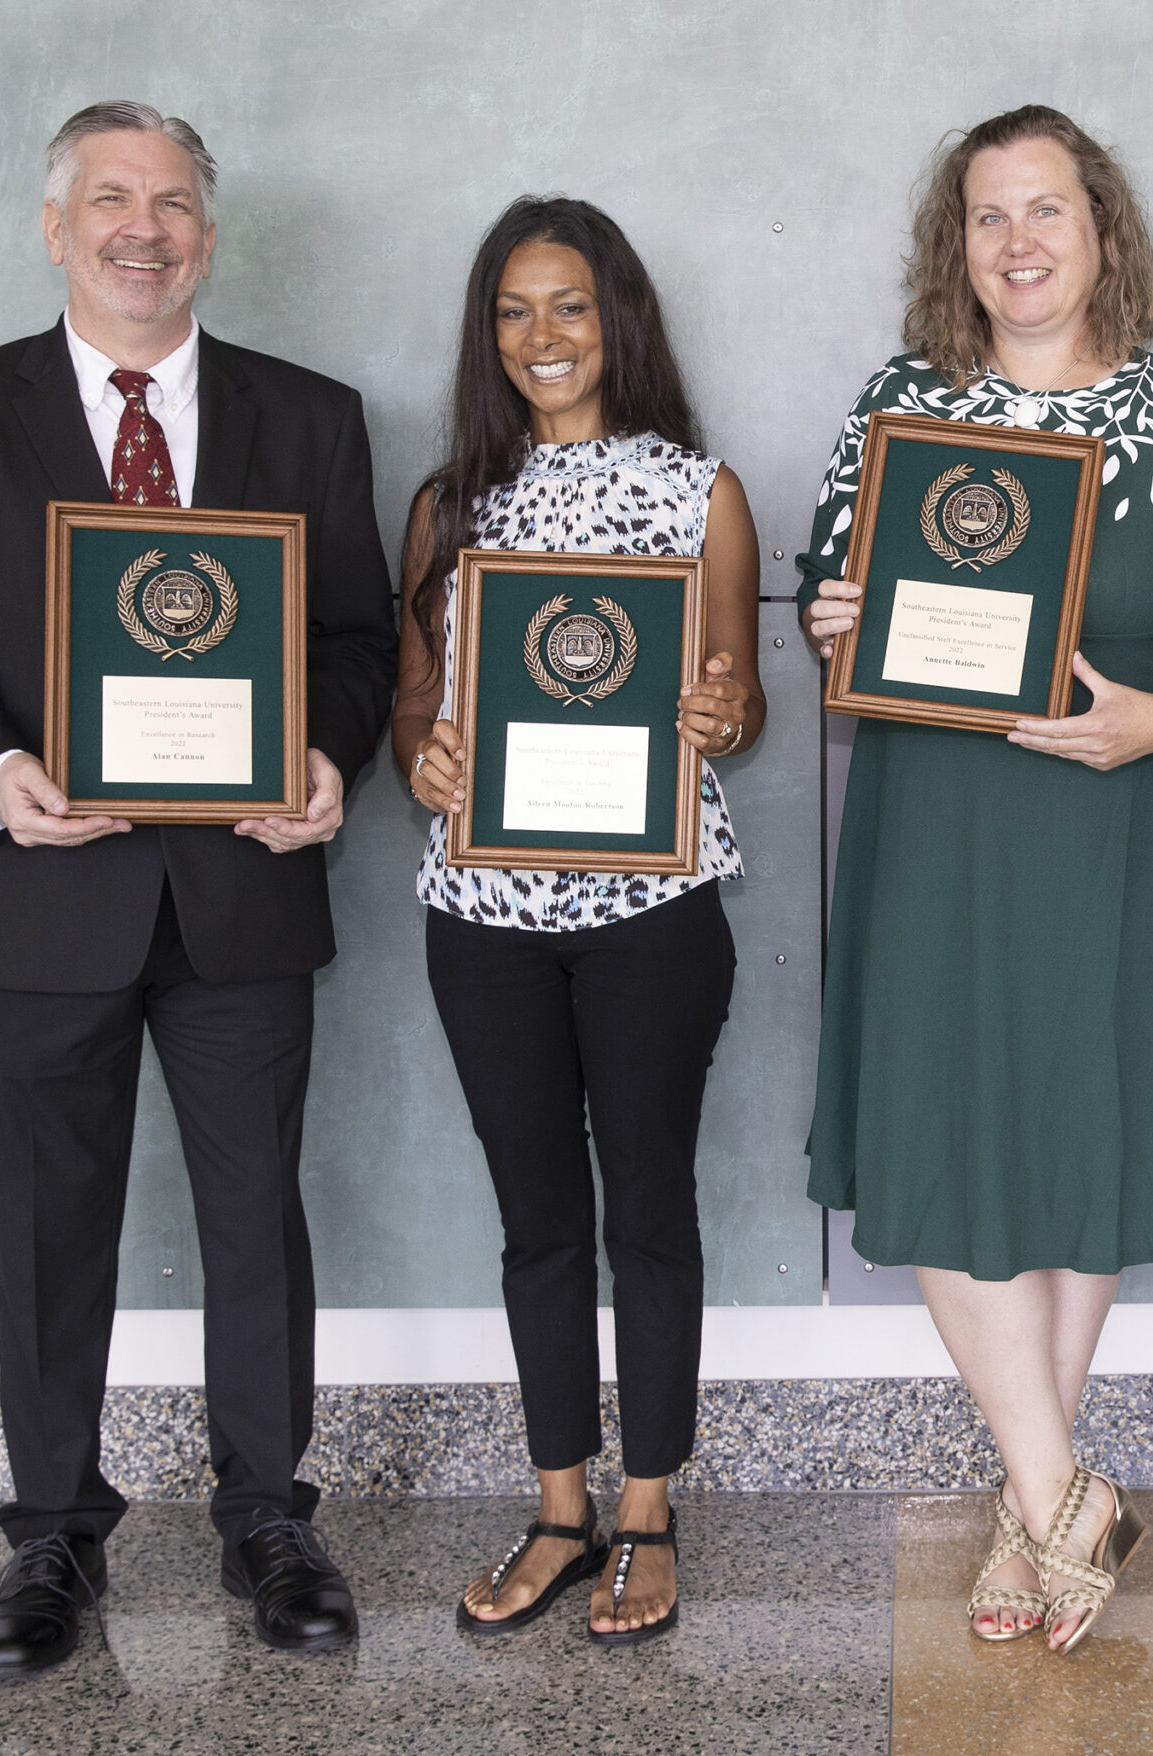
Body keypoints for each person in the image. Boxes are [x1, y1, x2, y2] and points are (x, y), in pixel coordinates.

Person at [0, 102, 397, 1677]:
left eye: (173, 203)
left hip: (242, 888)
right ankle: (48, 1538)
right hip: (41, 890)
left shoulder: (310, 417)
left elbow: (360, 645)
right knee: (46, 1227)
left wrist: (326, 758)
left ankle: (268, 1521)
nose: (142, 229)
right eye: (110, 199)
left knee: (255, 1217)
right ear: (57, 227)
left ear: (209, 238)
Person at [799, 104, 1153, 1651]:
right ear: (961, 248)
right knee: (943, 1118)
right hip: (942, 821)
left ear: (1101, 230)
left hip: (1125, 817)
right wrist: (835, 624)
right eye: (990, 218)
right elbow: (832, 595)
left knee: (1088, 1139)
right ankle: (1061, 1486)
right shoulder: (902, 401)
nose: (1020, 243)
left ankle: (1034, 1511)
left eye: (1047, 211)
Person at [393, 196, 764, 1643]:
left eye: (569, 306)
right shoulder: (446, 505)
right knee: (535, 1218)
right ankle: (561, 1504)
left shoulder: (699, 490)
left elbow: (737, 699)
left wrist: (727, 710)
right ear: (487, 336)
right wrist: (422, 755)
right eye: (512, 311)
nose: (542, 338)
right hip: (482, 913)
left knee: (649, 1209)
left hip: (653, 907)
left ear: (621, 320)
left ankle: (652, 1508)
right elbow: (416, 710)